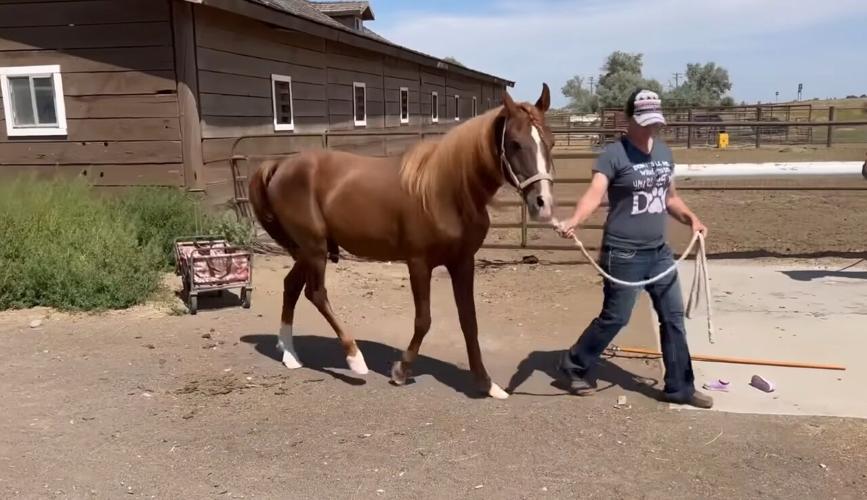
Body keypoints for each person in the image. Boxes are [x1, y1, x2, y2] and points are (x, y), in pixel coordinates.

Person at [554, 88, 713, 409]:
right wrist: (575, 220)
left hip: (659, 253)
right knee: (616, 318)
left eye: (655, 123)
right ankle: (574, 364)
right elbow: (595, 193)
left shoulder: (665, 155)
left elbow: (671, 198)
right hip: (623, 252)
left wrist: (691, 219)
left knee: (673, 318)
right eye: (644, 122)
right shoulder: (613, 155)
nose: (650, 129)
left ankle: (680, 387)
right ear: (628, 120)